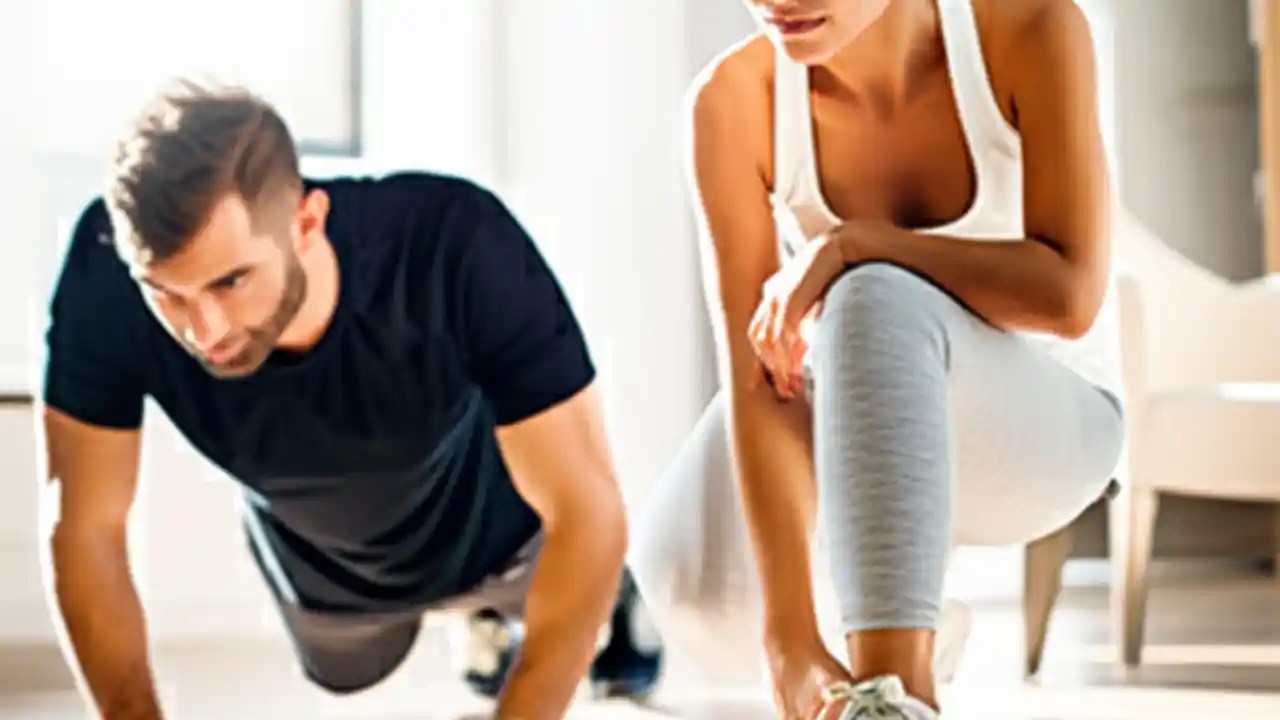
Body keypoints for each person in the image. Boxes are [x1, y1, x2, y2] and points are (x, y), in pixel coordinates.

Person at [39, 81, 660, 720]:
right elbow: (85, 528)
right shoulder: (104, 271)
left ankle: (559, 612)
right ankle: (476, 624)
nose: (204, 331)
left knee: (583, 587)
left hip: (496, 528)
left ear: (307, 223)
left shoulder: (455, 242)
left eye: (231, 281)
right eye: (167, 294)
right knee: (345, 674)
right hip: (325, 567)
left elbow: (586, 509)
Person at [629, 0, 1124, 717]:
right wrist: (789, 638)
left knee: (871, 294)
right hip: (865, 419)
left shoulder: (1032, 29)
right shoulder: (733, 100)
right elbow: (759, 377)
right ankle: (904, 606)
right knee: (684, 574)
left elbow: (1069, 297)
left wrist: (856, 244)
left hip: (1046, 430)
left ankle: (895, 690)